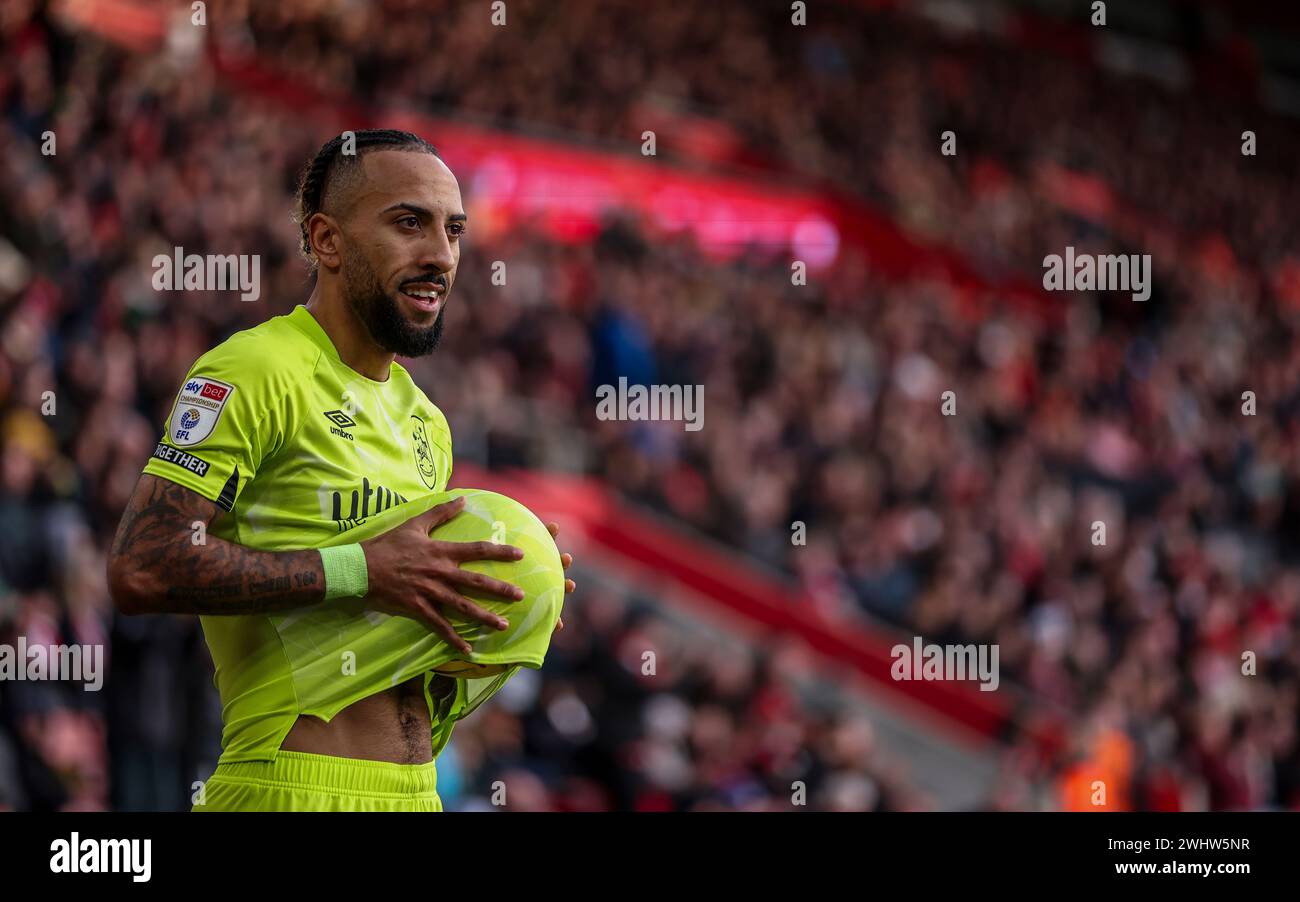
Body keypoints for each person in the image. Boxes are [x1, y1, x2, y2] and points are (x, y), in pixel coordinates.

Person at [106, 129, 575, 811]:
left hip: (418, 794)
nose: (440, 255)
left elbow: (384, 632)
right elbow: (142, 564)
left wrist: (503, 592)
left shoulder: (428, 423)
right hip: (289, 789)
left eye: (453, 231)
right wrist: (362, 569)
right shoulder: (254, 369)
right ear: (326, 240)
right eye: (408, 223)